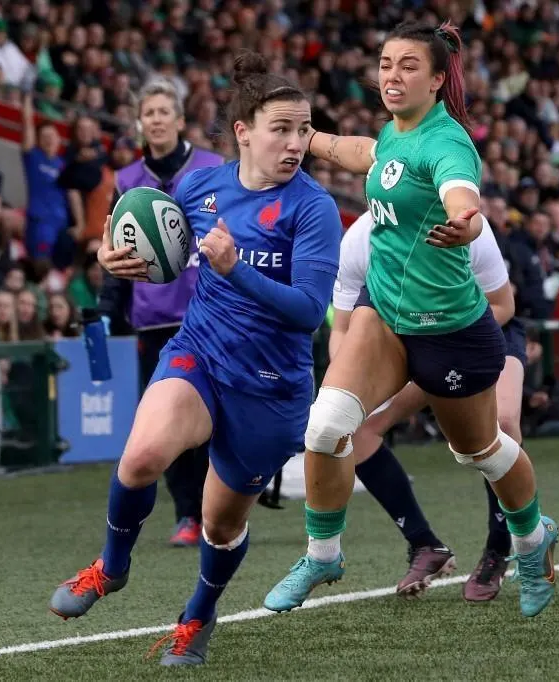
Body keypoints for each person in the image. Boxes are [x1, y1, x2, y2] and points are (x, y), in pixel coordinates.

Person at [48, 52, 343, 666]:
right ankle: (111, 566)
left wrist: (236, 270)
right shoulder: (199, 185)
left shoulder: (312, 208)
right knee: (142, 456)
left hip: (270, 388)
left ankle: (198, 618)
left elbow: (309, 312)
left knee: (218, 525)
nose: (296, 144)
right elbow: (170, 251)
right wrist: (114, 263)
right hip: (201, 351)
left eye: (304, 131)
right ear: (243, 133)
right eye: (282, 130)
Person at [264, 21, 558, 619]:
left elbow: (460, 194)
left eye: (408, 66)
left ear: (438, 77)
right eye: (385, 63)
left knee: (484, 451)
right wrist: (308, 138)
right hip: (386, 318)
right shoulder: (395, 136)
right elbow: (364, 153)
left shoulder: (447, 144)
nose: (392, 76)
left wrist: (468, 220)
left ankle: (532, 538)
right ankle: (323, 554)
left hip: (452, 328)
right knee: (326, 427)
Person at [331, 211, 524, 601]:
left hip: (481, 333)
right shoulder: (359, 239)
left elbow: (503, 307)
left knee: (500, 423)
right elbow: (342, 330)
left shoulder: (465, 225)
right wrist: (347, 389)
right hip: (410, 340)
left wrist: (436, 351)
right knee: (354, 428)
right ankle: (424, 545)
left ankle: (498, 550)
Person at [97, 79, 224, 548]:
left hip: (210, 313)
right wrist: (107, 309)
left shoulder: (212, 168)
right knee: (168, 423)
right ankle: (188, 514)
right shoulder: (126, 181)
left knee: (217, 418)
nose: (155, 119)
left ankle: (220, 506)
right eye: (148, 112)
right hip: (154, 320)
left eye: (163, 110)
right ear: (139, 122)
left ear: (179, 118)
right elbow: (115, 252)